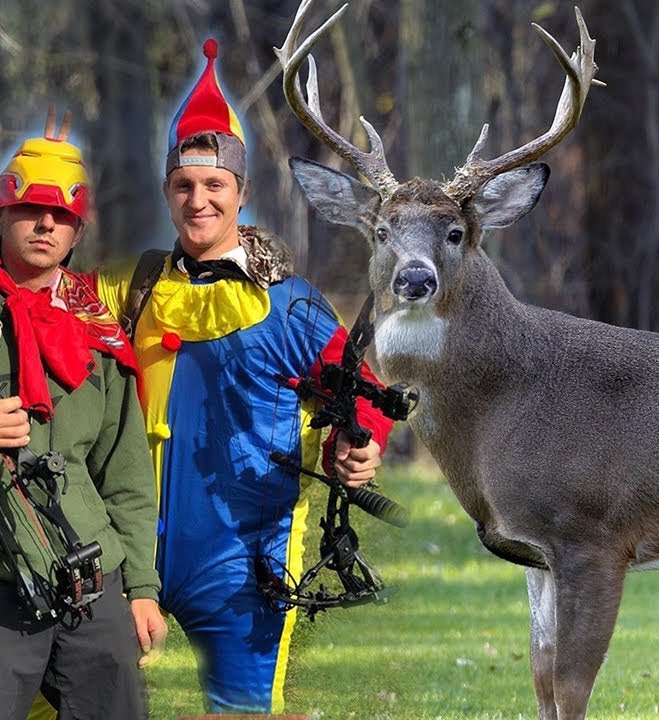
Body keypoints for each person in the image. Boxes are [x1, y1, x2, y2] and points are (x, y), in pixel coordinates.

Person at [91, 39, 393, 714]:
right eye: (184, 186)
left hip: (245, 561)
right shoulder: (130, 288)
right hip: (123, 551)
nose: (199, 201)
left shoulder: (292, 307)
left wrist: (360, 445)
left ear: (242, 192)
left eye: (214, 186)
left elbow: (362, 394)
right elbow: (42, 310)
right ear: (168, 191)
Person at [0, 108, 166, 720]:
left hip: (87, 577)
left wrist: (143, 590)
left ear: (76, 231)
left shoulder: (97, 329)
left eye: (62, 215)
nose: (45, 224)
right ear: (3, 211)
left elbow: (124, 473)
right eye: (31, 209)